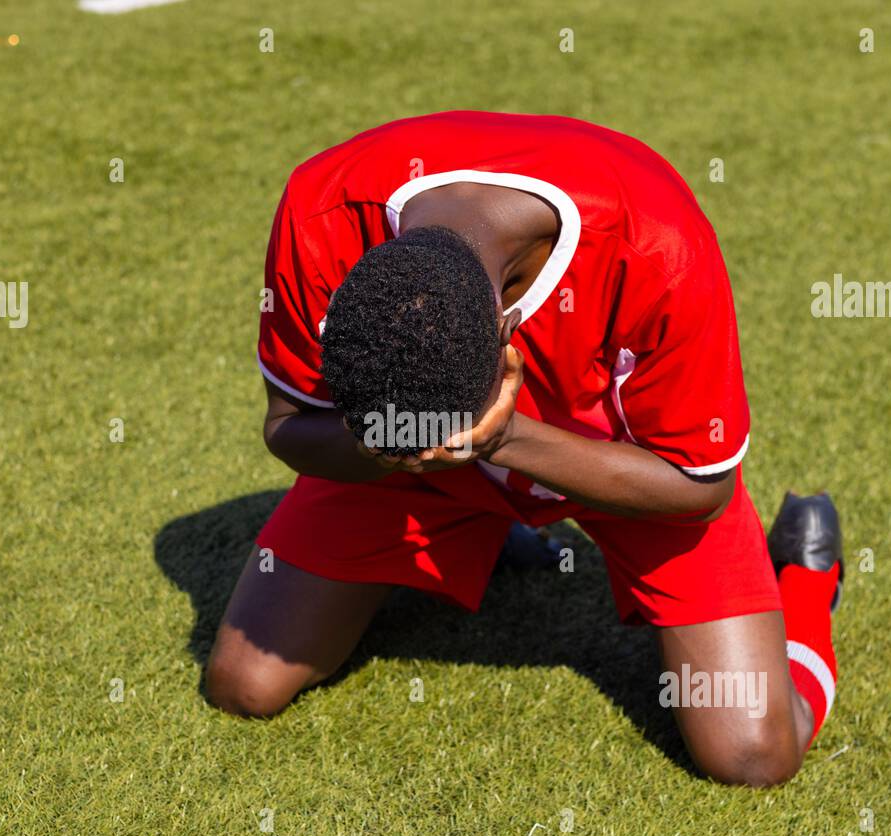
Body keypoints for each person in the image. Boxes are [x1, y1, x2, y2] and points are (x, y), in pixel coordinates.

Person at [213, 111, 843, 787]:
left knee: (753, 756)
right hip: (408, 471)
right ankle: (485, 525)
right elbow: (287, 423)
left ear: (512, 322)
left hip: (619, 462)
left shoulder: (658, 241)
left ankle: (806, 585)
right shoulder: (322, 215)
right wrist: (392, 444)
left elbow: (700, 485)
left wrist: (506, 437)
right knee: (242, 683)